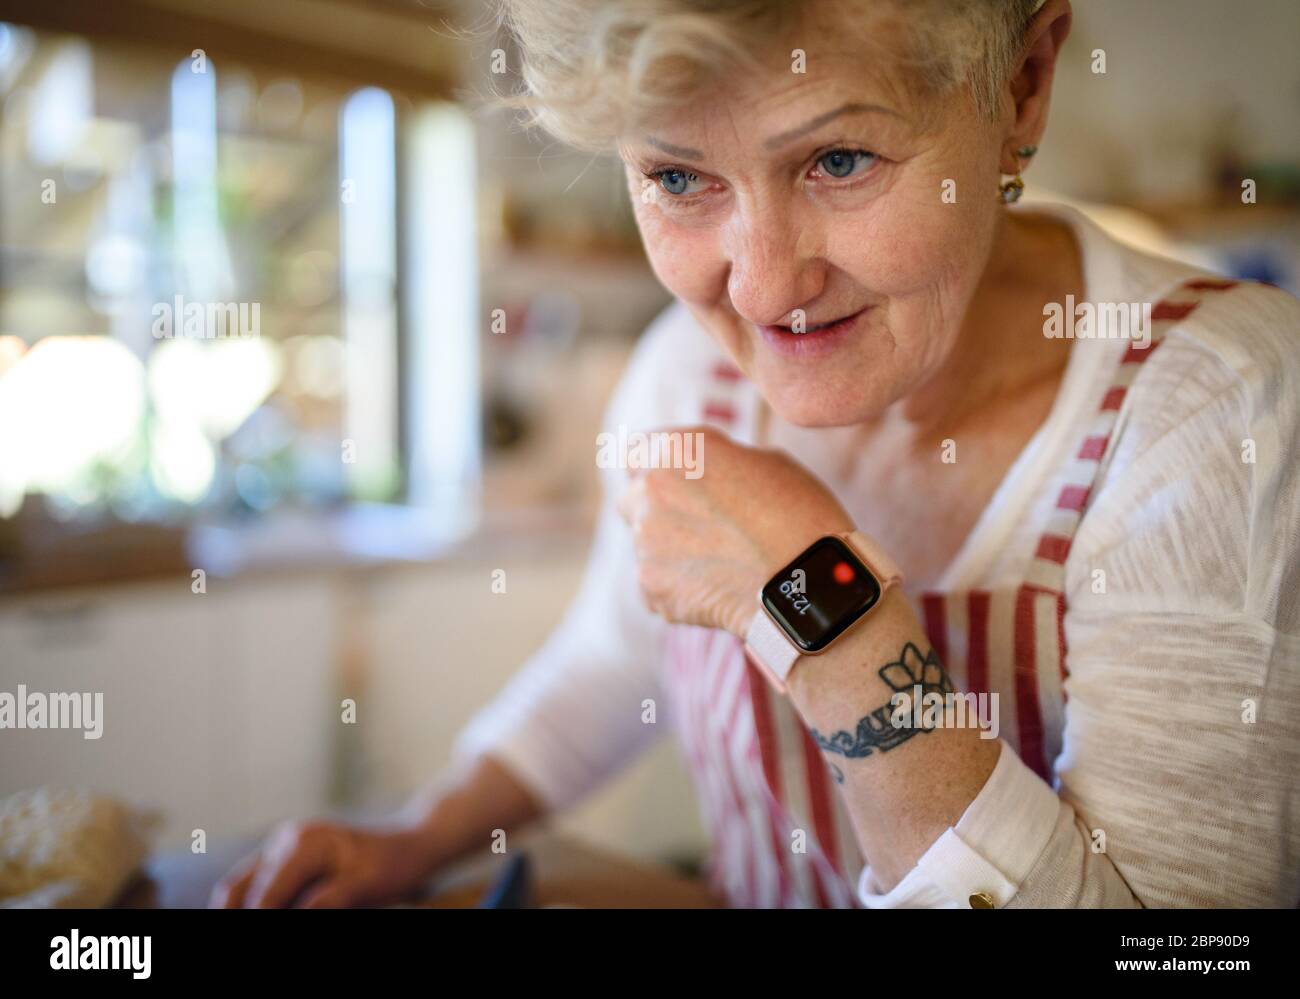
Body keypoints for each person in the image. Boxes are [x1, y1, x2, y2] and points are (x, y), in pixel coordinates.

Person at [214, 0, 1300, 908]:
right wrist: (417, 835)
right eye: (681, 180)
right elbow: (611, 659)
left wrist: (829, 616)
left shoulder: (1214, 404)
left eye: (838, 159)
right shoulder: (684, 376)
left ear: (1019, 85)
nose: (763, 288)